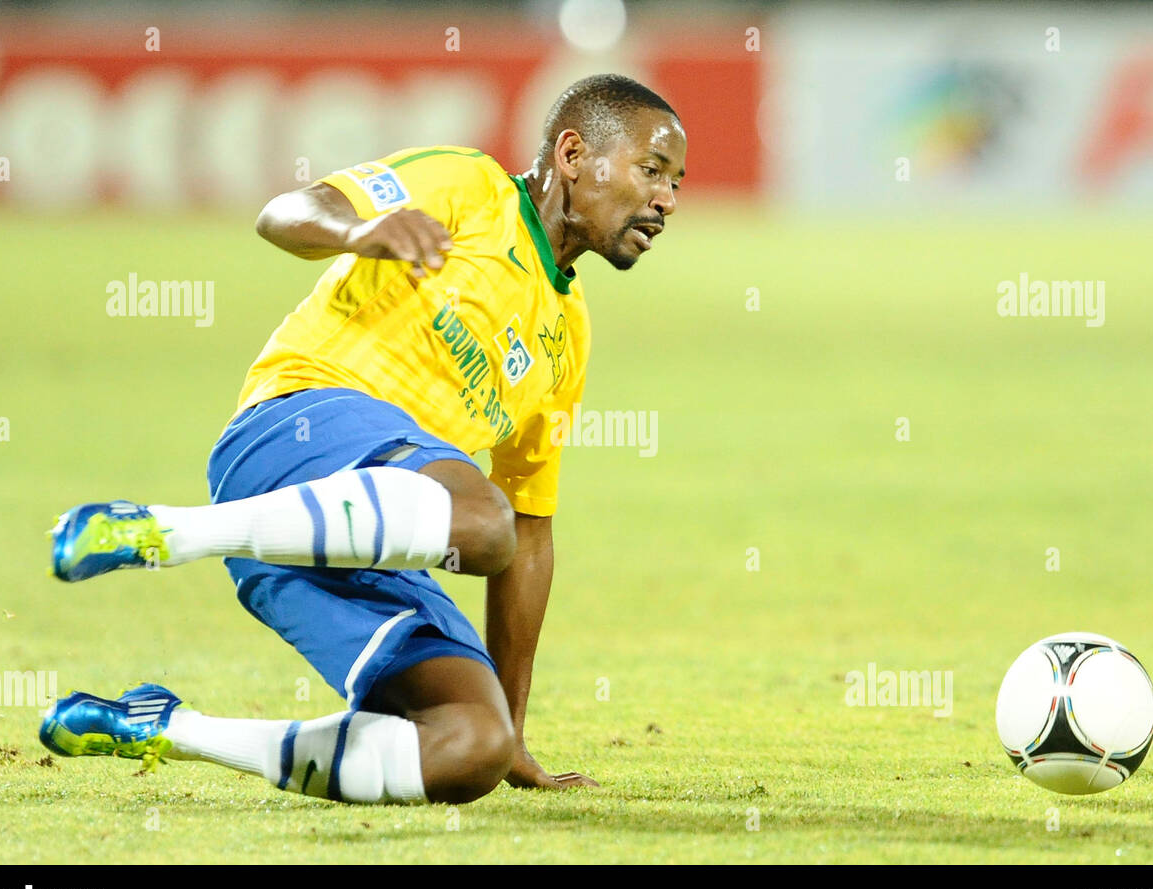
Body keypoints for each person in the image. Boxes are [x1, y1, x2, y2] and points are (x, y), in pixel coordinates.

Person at [40, 74, 687, 806]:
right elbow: (285, 212)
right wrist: (356, 231)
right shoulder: (468, 186)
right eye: (652, 171)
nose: (667, 199)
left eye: (676, 182)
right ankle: (169, 531)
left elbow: (529, 536)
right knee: (480, 521)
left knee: (470, 742)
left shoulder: (567, 334)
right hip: (290, 429)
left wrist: (515, 730)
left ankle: (170, 728)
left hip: (354, 539)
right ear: (574, 154)